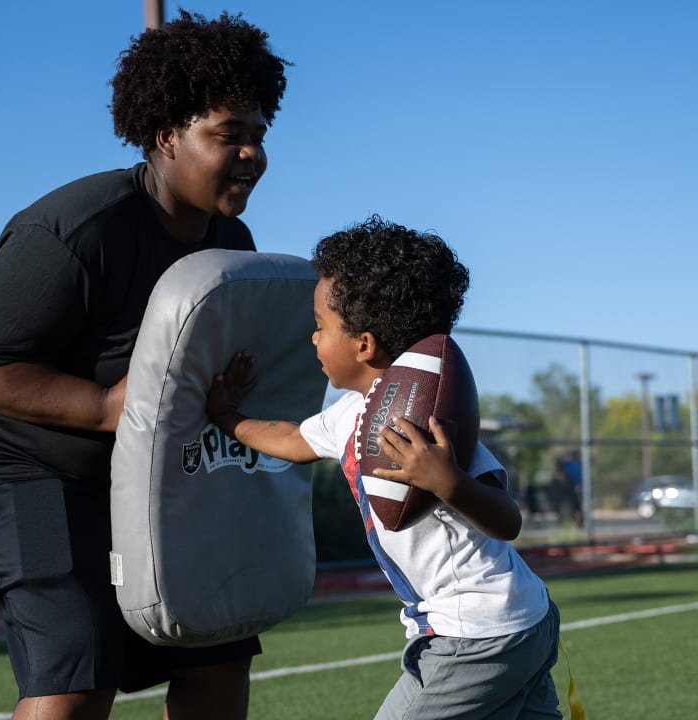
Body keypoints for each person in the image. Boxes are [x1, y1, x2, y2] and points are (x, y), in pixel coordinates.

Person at [0, 11, 289, 720]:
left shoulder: (231, 241)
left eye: (258, 136)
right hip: (17, 476)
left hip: (137, 476)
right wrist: (103, 406)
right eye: (230, 136)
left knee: (215, 645)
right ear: (166, 136)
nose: (252, 154)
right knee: (77, 662)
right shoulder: (74, 230)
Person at [207, 216, 563, 719]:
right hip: (516, 622)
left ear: (364, 344)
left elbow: (508, 521)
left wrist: (449, 482)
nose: (313, 340)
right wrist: (227, 416)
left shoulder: (431, 419)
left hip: (478, 632)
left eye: (320, 327)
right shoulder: (350, 414)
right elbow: (287, 440)